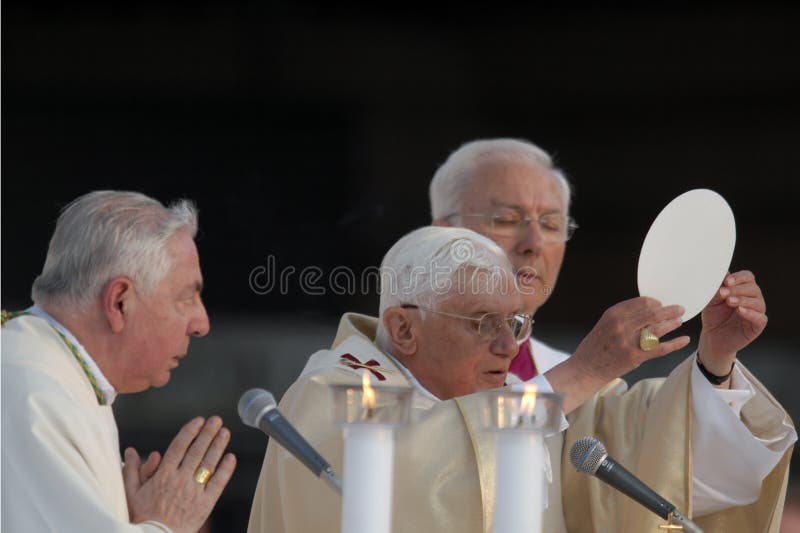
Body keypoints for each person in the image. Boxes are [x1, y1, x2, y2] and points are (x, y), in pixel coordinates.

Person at [247, 226, 795, 533]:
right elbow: (410, 483)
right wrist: (584, 371)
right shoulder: (336, 387)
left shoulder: (516, 403)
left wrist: (714, 360)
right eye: (483, 323)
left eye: (515, 323)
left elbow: (661, 456)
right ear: (403, 329)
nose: (511, 347)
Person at [2, 191, 237, 532]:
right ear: (120, 302)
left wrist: (123, 517)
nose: (202, 324)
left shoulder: (57, 374)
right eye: (186, 297)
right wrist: (167, 522)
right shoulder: (33, 396)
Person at [429, 138, 578, 379]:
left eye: (550, 225)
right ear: (443, 235)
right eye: (506, 220)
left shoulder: (587, 389)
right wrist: (588, 372)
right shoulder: (374, 371)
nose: (534, 244)